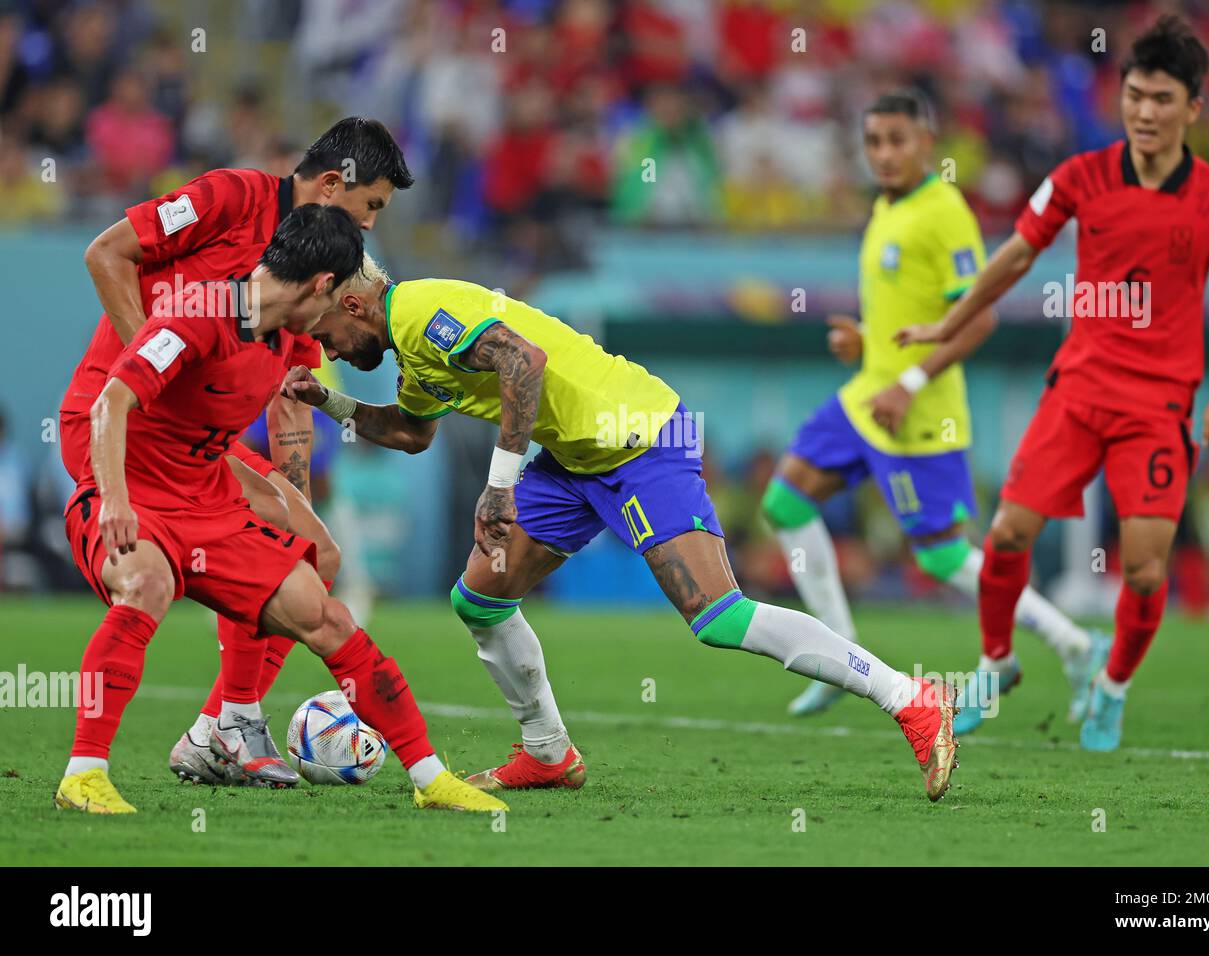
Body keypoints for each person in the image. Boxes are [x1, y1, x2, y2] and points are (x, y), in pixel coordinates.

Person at [282, 255, 960, 803]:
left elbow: (525, 364)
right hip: (573, 457)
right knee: (480, 596)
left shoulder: (426, 310)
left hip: (639, 437)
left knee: (717, 616)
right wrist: (330, 401)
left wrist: (498, 487)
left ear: (353, 305)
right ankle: (547, 751)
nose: (325, 347)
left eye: (325, 335)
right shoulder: (412, 349)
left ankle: (910, 696)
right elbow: (410, 432)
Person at [55, 205, 503, 816]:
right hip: (139, 481)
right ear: (322, 285)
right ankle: (85, 773)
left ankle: (430, 779)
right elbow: (112, 402)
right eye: (342, 293)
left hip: (208, 488)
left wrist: (291, 514)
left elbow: (290, 409)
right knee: (146, 583)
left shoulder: (292, 334)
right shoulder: (199, 312)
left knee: (326, 615)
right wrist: (113, 499)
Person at [896, 16, 1209, 750]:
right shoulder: (1078, 176)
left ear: (1193, 108)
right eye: (1134, 95)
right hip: (1079, 389)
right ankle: (996, 663)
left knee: (1146, 570)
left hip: (1159, 405)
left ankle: (1112, 686)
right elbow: (1014, 257)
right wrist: (948, 323)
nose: (1145, 112)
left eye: (1162, 98)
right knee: (1005, 536)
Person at [59, 116, 414, 785]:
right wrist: (156, 375)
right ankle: (129, 752)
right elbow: (105, 253)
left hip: (197, 445)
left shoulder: (311, 270)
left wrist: (294, 493)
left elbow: (290, 393)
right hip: (120, 417)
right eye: (371, 207)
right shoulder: (229, 198)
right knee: (150, 580)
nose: (370, 227)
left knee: (315, 550)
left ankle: (222, 728)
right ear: (334, 184)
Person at [760, 89, 1104, 720]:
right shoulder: (885, 207)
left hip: (919, 413)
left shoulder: (944, 211)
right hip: (867, 395)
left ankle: (1074, 642)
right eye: (874, 142)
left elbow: (977, 322)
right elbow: (913, 310)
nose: (885, 154)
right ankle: (840, 657)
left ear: (928, 144)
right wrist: (867, 342)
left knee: (944, 556)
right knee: (784, 502)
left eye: (898, 140)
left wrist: (908, 384)